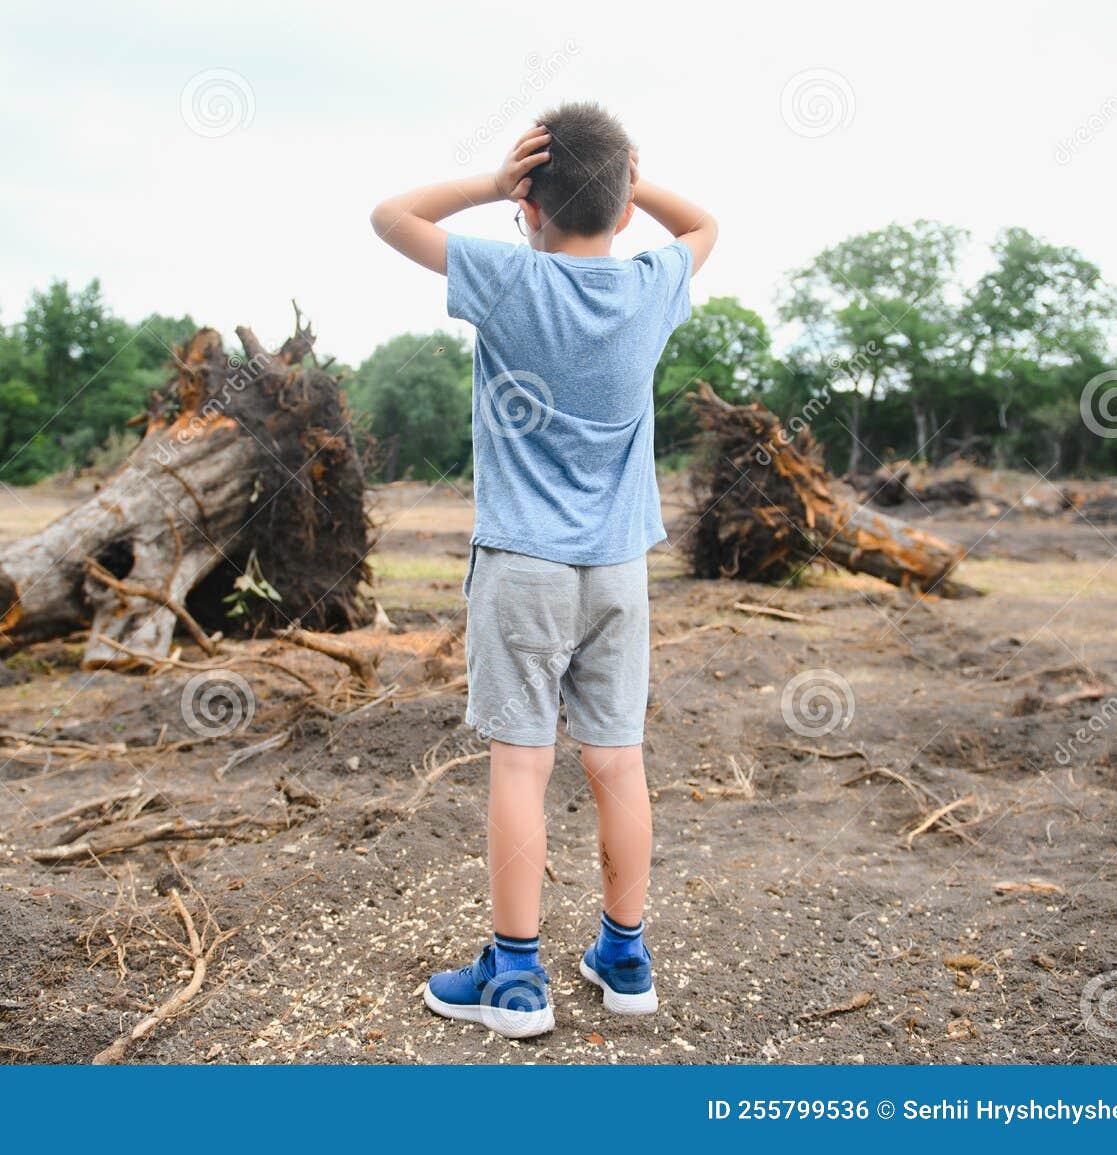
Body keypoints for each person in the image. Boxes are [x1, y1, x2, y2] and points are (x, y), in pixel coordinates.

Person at [368, 102, 718, 1037]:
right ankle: (625, 954)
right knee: (617, 762)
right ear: (624, 205)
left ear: (529, 202)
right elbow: (705, 226)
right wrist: (630, 184)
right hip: (617, 574)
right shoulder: (649, 284)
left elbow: (391, 217)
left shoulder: (508, 278)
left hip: (523, 565)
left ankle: (517, 980)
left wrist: (489, 183)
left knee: (522, 765)